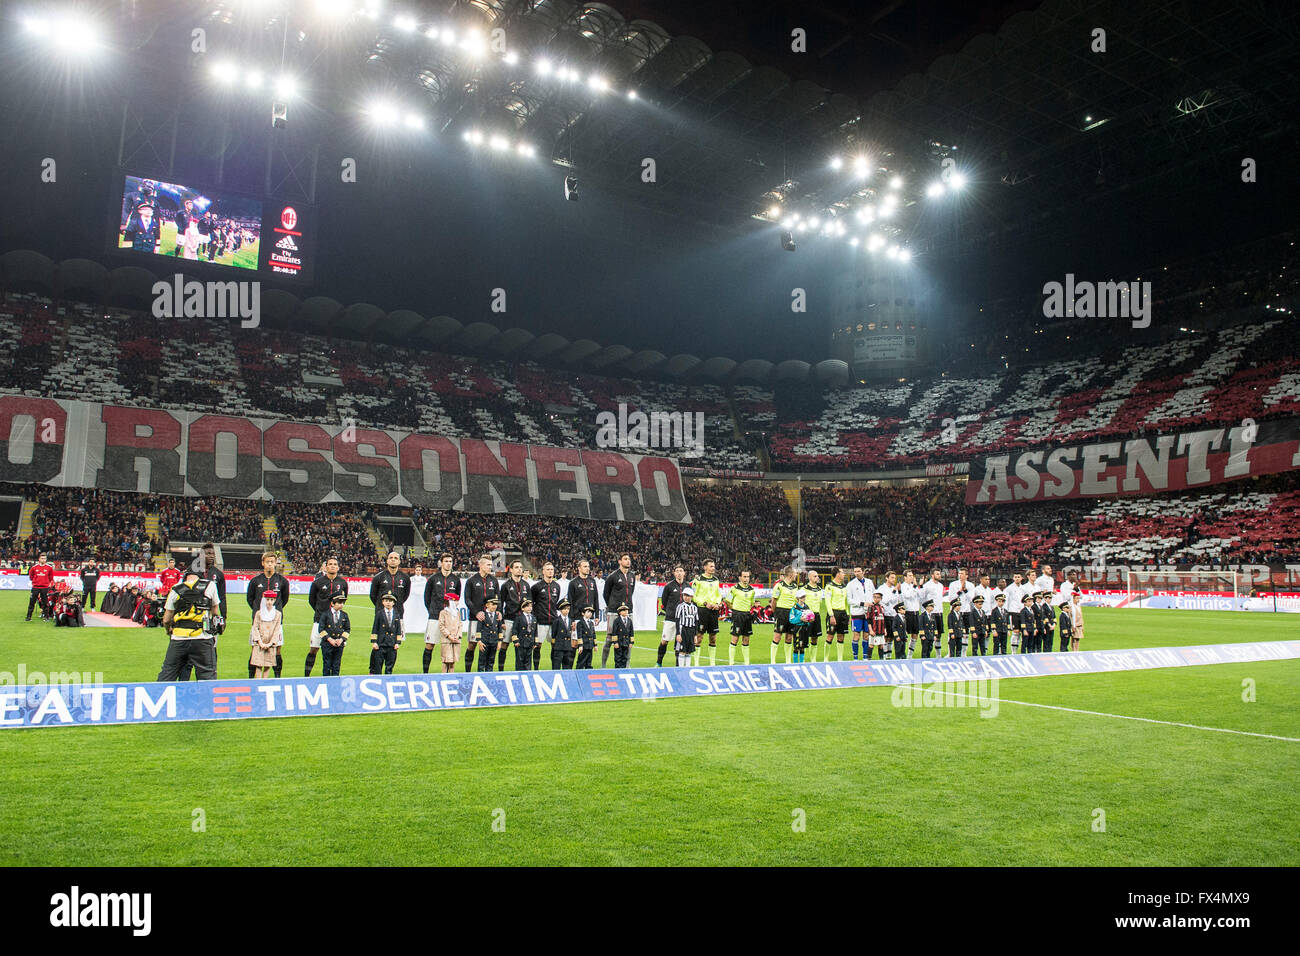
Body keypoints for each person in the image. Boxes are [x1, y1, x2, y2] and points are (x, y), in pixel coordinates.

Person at [157, 566, 219, 681]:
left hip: (179, 638)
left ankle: (161, 697)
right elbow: (215, 612)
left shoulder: (176, 588)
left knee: (168, 673)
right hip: (202, 637)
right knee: (207, 675)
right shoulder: (210, 585)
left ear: (185, 577)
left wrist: (168, 630)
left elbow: (166, 619)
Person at [246, 551, 290, 678]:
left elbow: (284, 599)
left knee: (277, 650)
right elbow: (250, 599)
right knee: (255, 650)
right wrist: (258, 613)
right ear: (263, 563)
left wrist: (274, 613)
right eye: (267, 562)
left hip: (276, 623)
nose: (270, 564)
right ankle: (251, 678)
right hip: (258, 622)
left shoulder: (282, 581)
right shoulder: (255, 581)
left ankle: (277, 677)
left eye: (272, 562)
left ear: (275, 563)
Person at [305, 557, 348, 676]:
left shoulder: (342, 583)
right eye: (330, 564)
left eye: (335, 564)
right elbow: (311, 600)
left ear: (338, 567)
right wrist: (322, 613)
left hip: (336, 624)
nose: (333, 566)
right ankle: (306, 676)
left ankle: (332, 677)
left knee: (336, 651)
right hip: (319, 621)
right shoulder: (317, 582)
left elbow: (343, 600)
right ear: (326, 567)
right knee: (314, 649)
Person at [422, 553, 460, 674]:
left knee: (449, 647)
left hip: (450, 619)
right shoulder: (433, 579)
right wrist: (433, 611)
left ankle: (448, 674)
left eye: (450, 561)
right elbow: (426, 598)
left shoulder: (456, 580)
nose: (448, 563)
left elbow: (457, 599)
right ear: (441, 563)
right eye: (446, 561)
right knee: (429, 645)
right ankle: (425, 673)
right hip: (434, 616)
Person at [464, 554, 499, 673]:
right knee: (472, 644)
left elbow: (497, 598)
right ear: (481, 565)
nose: (490, 567)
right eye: (488, 565)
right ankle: (468, 672)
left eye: (491, 565)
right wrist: (476, 612)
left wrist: (498, 611)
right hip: (476, 618)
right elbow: (467, 599)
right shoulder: (472, 581)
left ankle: (486, 671)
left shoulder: (493, 581)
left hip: (490, 619)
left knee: (488, 645)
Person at [600, 552, 636, 667]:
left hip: (628, 611)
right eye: (625, 559)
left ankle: (627, 664)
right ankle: (603, 665)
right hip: (614, 611)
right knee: (609, 639)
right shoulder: (613, 576)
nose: (628, 561)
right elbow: (606, 593)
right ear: (620, 561)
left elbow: (631, 591)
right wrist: (612, 605)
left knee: (628, 639)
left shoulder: (632, 576)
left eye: (629, 559)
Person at [498, 559, 530, 671]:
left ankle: (520, 671)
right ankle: (500, 670)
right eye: (516, 567)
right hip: (509, 619)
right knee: (504, 645)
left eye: (520, 567)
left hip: (522, 621)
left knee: (520, 647)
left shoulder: (526, 585)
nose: (519, 569)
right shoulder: (506, 585)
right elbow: (500, 603)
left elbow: (529, 603)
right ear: (511, 570)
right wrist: (501, 621)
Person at [690, 558, 722, 665]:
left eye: (713, 566)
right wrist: (704, 603)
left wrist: (717, 603)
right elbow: (693, 596)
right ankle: (696, 663)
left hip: (713, 611)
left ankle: (712, 663)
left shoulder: (716, 580)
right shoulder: (698, 580)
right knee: (699, 637)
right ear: (705, 567)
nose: (713, 568)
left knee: (713, 637)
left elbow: (718, 594)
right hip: (702, 610)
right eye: (711, 566)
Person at [529, 562, 561, 671]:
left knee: (555, 646)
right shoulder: (536, 587)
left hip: (553, 621)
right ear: (543, 571)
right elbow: (531, 604)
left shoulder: (556, 586)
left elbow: (555, 603)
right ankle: (536, 669)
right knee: (537, 646)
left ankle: (554, 669)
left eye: (551, 569)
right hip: (540, 622)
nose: (550, 571)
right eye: (547, 569)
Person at [249, 589, 284, 679]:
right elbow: (255, 627)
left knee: (268, 665)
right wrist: (260, 642)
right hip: (260, 642)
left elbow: (277, 629)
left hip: (271, 644)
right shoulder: (258, 613)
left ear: (274, 600)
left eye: (271, 600)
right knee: (259, 665)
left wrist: (271, 643)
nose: (269, 602)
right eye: (267, 599)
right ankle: (258, 683)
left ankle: (265, 682)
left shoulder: (278, 614)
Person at [658, 565, 688, 667]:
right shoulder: (669, 586)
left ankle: (677, 666)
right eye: (677, 571)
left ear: (684, 573)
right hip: (671, 618)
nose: (679, 573)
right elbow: (664, 602)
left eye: (681, 571)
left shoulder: (687, 586)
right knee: (664, 641)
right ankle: (659, 663)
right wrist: (670, 612)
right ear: (674, 573)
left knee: (679, 643)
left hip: (683, 620)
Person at [726, 569, 757, 665]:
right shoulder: (734, 589)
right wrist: (735, 610)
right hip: (737, 614)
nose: (746, 579)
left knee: (746, 638)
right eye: (744, 576)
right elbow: (728, 601)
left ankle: (746, 662)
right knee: (735, 637)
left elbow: (752, 603)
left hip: (747, 615)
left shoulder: (752, 590)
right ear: (740, 577)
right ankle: (731, 662)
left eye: (748, 577)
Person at [769, 566, 799, 664]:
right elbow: (774, 600)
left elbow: (796, 601)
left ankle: (787, 661)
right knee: (777, 636)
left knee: (789, 637)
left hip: (791, 613)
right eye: (795, 573)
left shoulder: (795, 586)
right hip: (781, 612)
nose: (796, 575)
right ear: (790, 574)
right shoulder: (779, 585)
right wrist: (775, 613)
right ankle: (773, 661)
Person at [369, 592, 404, 675]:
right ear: (382, 602)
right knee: (378, 665)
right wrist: (374, 642)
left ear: (394, 603)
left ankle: (387, 680)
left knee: (389, 665)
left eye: (390, 601)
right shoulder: (379, 614)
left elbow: (398, 629)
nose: (388, 603)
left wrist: (398, 642)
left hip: (391, 644)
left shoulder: (396, 614)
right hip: (381, 643)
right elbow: (375, 628)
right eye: (386, 600)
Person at [318, 593, 350, 677]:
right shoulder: (325, 614)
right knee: (327, 664)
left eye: (343, 603)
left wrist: (342, 639)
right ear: (332, 603)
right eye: (339, 603)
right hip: (327, 644)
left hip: (339, 644)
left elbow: (347, 629)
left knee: (336, 665)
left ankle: (335, 684)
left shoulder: (344, 615)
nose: (341, 605)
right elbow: (321, 629)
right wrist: (329, 639)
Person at [846, 566, 874, 653]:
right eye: (855, 572)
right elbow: (849, 600)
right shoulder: (850, 584)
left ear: (862, 572)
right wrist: (862, 603)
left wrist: (872, 603)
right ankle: (855, 658)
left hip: (868, 613)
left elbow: (873, 595)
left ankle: (865, 657)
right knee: (856, 636)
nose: (857, 573)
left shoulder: (869, 582)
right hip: (856, 613)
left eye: (858, 571)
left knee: (866, 636)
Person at [801, 570, 825, 664]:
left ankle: (813, 660)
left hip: (816, 615)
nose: (817, 577)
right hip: (807, 616)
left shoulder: (819, 589)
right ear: (810, 577)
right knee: (804, 638)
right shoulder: (804, 589)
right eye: (815, 576)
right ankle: (802, 660)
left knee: (815, 638)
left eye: (817, 576)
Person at [438, 591, 462, 673]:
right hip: (447, 640)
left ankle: (452, 677)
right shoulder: (443, 613)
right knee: (446, 661)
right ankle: (444, 677)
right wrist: (449, 636)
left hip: (456, 640)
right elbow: (441, 626)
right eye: (455, 601)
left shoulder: (457, 613)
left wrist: (458, 635)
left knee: (453, 661)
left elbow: (460, 625)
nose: (457, 603)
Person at [674, 588, 699, 668]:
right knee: (682, 651)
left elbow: (696, 621)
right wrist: (678, 633)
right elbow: (677, 620)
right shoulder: (680, 606)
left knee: (689, 651)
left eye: (688, 595)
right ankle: (681, 669)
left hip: (691, 630)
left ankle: (687, 668)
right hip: (683, 630)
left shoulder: (694, 608)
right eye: (684, 595)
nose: (686, 597)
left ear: (691, 596)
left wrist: (695, 635)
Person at [26, 553, 54, 622]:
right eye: (42, 558)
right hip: (35, 587)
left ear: (46, 559)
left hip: (44, 588)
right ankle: (28, 617)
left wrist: (46, 583)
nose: (43, 560)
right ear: (39, 559)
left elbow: (51, 577)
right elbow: (31, 576)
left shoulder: (49, 568)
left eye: (44, 558)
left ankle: (46, 617)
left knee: (45, 602)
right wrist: (36, 582)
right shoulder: (34, 567)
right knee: (32, 602)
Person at [900, 570, 922, 657]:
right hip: (907, 612)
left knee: (915, 633)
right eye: (909, 575)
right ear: (905, 577)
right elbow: (907, 595)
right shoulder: (903, 586)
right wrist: (914, 587)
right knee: (904, 634)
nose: (911, 577)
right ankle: (902, 653)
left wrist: (917, 587)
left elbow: (920, 596)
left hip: (916, 612)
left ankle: (910, 655)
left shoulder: (914, 586)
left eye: (912, 575)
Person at [512, 598, 537, 671]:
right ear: (522, 608)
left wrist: (535, 642)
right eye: (527, 606)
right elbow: (515, 629)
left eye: (530, 606)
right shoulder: (519, 618)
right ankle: (519, 675)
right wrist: (515, 641)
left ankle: (527, 674)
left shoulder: (534, 618)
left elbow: (535, 631)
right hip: (521, 642)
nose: (529, 608)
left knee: (528, 660)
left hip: (530, 641)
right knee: (520, 660)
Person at [550, 598, 575, 670]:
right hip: (559, 646)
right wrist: (554, 645)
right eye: (564, 609)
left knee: (566, 664)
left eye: (568, 609)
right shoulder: (557, 620)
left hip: (567, 646)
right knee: (557, 663)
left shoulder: (570, 620)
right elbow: (554, 634)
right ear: (560, 610)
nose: (566, 610)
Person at [789, 590, 813, 663]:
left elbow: (810, 617)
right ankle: (795, 664)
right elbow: (791, 619)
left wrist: (809, 621)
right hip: (798, 629)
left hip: (805, 628)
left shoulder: (807, 607)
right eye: (801, 597)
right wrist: (800, 619)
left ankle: (802, 663)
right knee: (796, 647)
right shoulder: (794, 608)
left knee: (803, 647)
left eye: (804, 596)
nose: (803, 598)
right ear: (798, 598)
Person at [609, 603, 635, 668]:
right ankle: (618, 670)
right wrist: (615, 642)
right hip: (619, 642)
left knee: (625, 658)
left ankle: (623, 669)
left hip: (626, 642)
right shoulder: (617, 621)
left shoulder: (629, 620)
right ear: (620, 612)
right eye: (624, 610)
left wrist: (631, 642)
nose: (626, 612)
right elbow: (614, 632)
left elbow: (631, 632)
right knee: (618, 657)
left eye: (626, 610)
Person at [865, 589, 888, 660]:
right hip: (874, 630)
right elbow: (868, 619)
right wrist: (870, 630)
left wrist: (885, 629)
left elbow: (883, 620)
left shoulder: (882, 607)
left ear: (881, 598)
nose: (876, 599)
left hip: (881, 630)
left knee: (881, 645)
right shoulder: (870, 607)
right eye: (875, 597)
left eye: (878, 597)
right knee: (871, 645)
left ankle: (881, 660)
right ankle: (869, 659)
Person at [574, 605, 597, 670]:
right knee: (581, 661)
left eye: (591, 612)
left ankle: (588, 673)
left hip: (590, 645)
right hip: (584, 645)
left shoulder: (591, 623)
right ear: (583, 613)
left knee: (589, 661)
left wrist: (595, 645)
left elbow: (593, 634)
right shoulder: (580, 623)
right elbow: (579, 635)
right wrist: (580, 645)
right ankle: (579, 673)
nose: (590, 613)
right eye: (588, 612)